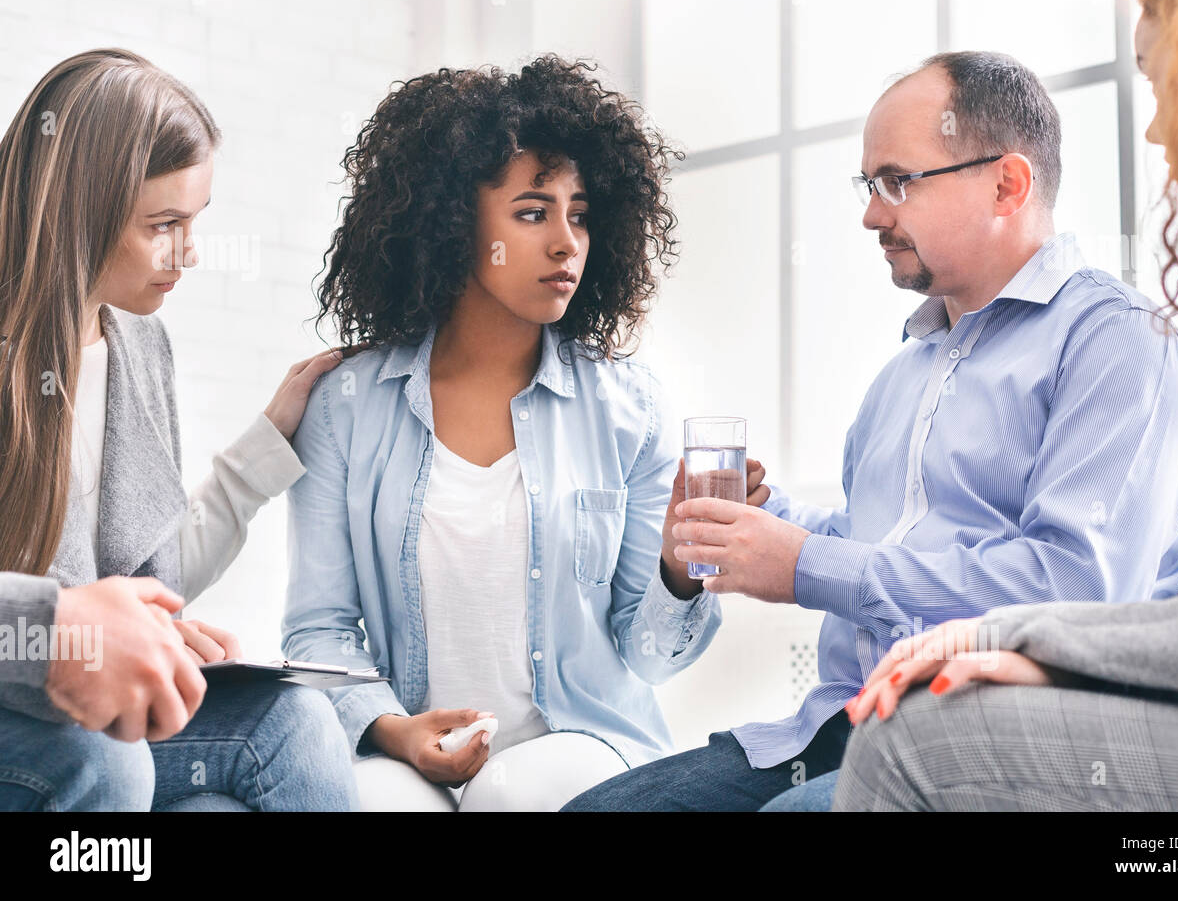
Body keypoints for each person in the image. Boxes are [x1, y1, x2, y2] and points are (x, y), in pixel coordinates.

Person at [563, 49, 1178, 812]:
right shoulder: (906, 373)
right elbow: (879, 541)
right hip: (852, 720)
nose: (873, 215)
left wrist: (806, 564)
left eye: (897, 182)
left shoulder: (1119, 342)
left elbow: (1074, 592)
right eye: (869, 186)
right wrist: (760, 526)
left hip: (1016, 738)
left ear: (1007, 184)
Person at [831, 0, 1178, 812]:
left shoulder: (1111, 337)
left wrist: (1029, 639)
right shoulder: (905, 370)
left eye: (1164, 86)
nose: (1155, 129)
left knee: (908, 743)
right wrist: (1049, 657)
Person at [283, 56, 742, 811]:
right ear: (452, 223)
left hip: (582, 743)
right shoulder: (345, 407)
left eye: (580, 214)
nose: (567, 242)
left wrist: (679, 570)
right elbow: (317, 632)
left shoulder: (630, 409)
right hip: (407, 750)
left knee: (510, 792)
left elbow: (652, 659)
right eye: (533, 213)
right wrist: (394, 732)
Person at [0, 48, 357, 811]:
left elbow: (150, 578)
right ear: (79, 212)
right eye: (164, 225)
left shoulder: (140, 348)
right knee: (109, 763)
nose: (189, 253)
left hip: (90, 723)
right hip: (27, 714)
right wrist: (61, 632)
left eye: (195, 222)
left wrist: (161, 634)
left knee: (296, 722)